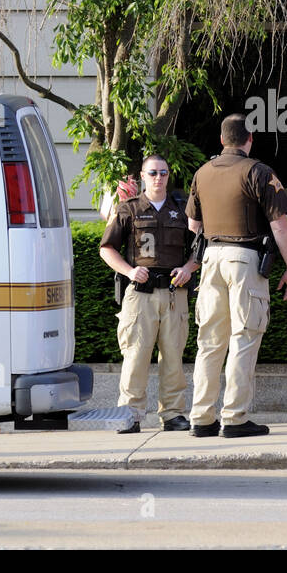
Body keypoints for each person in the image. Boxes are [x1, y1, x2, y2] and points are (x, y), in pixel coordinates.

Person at [186, 113, 287, 438]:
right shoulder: (258, 172)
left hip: (211, 259)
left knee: (209, 341)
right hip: (244, 260)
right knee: (244, 337)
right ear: (249, 139)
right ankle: (235, 418)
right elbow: (281, 225)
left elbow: (192, 226)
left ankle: (201, 417)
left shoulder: (202, 173)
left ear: (222, 140)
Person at [98, 154, 198, 434]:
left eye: (163, 173)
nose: (158, 178)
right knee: (135, 357)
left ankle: (174, 413)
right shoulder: (127, 208)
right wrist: (130, 271)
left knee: (174, 357)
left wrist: (189, 268)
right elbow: (107, 248)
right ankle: (130, 414)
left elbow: (198, 250)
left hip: (174, 293)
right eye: (152, 173)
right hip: (140, 294)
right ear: (142, 176)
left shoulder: (182, 210)